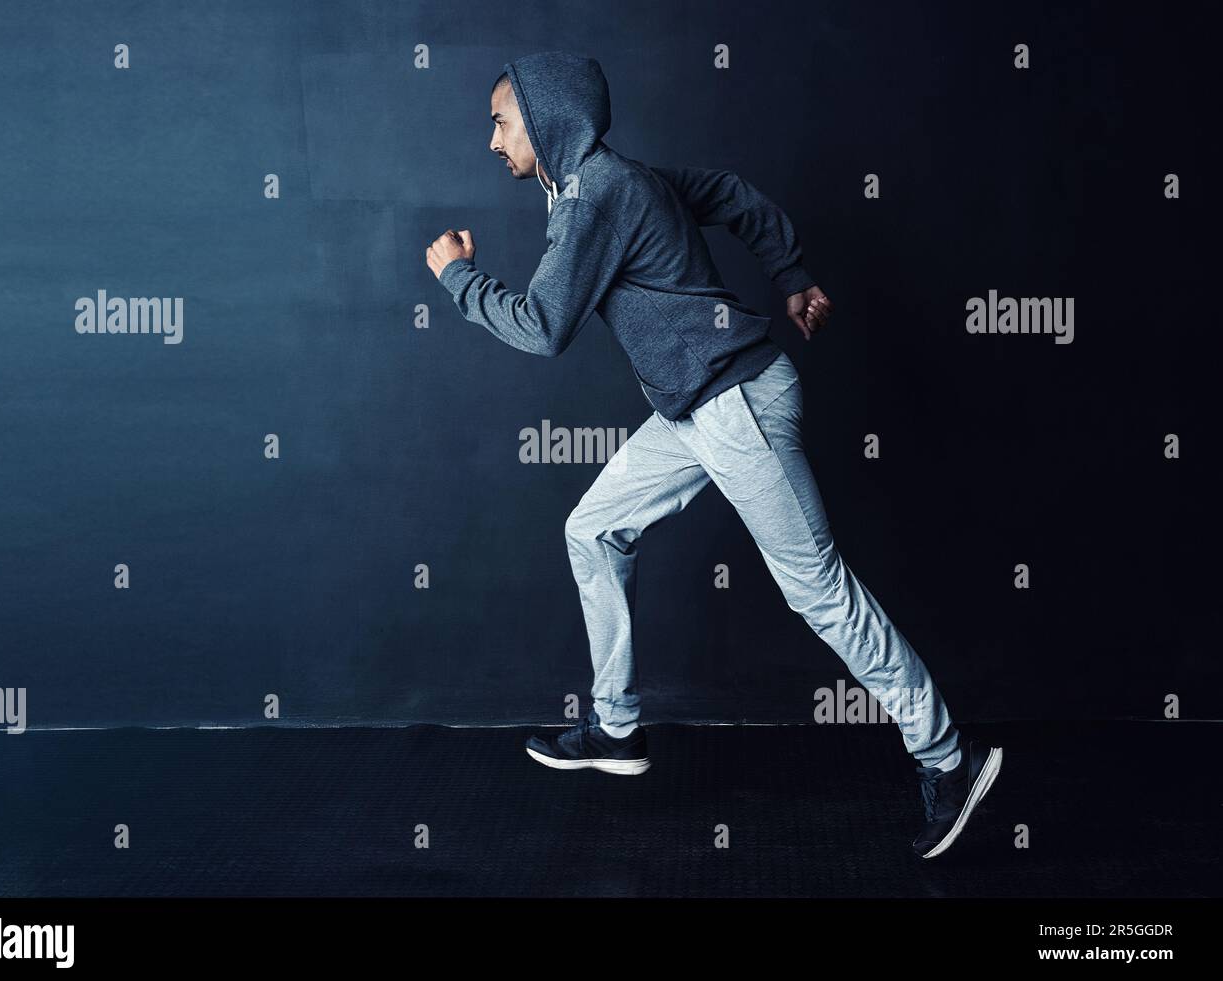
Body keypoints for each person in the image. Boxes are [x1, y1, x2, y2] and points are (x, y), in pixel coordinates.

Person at [425, 51, 1002, 859]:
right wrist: (791, 273)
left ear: (546, 118)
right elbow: (727, 191)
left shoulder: (597, 194)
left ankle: (949, 758)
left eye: (500, 121)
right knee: (592, 530)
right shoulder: (615, 184)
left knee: (819, 593)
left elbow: (543, 327)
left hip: (738, 404)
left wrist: (459, 279)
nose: (491, 141)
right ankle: (618, 727)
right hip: (696, 408)